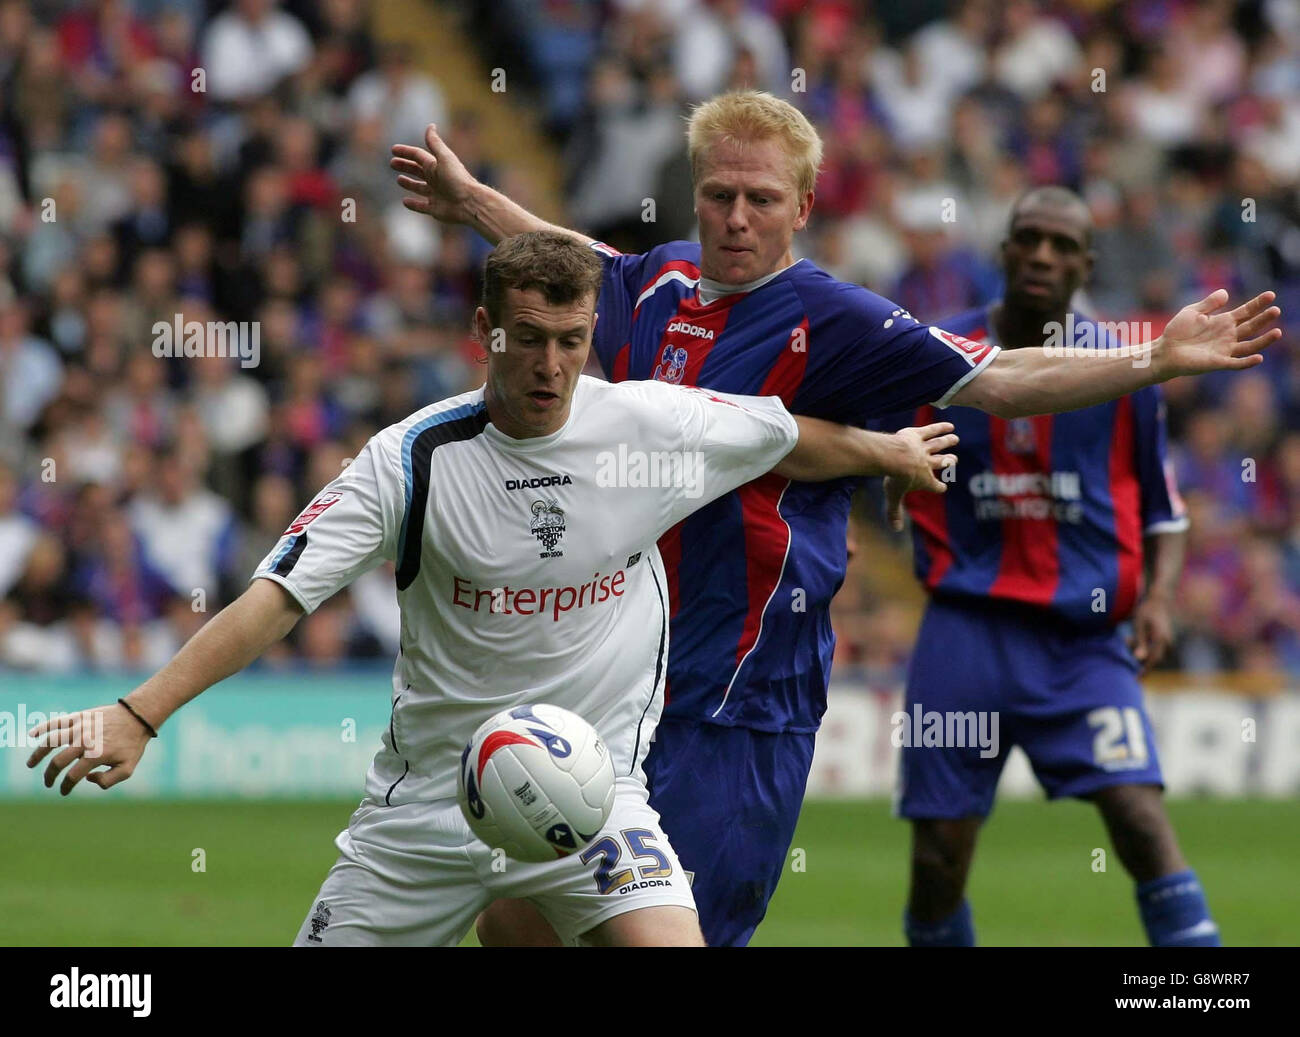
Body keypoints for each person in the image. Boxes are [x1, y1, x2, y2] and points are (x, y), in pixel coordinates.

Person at [391, 89, 1279, 947]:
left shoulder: (837, 318)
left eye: (761, 200)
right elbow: (568, 254)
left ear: (804, 206)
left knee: (671, 933)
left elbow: (1001, 380)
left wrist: (1154, 358)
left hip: (742, 701)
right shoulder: (656, 281)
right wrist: (471, 203)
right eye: (719, 195)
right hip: (617, 682)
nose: (737, 217)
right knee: (515, 921)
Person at [26, 231, 956, 948]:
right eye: (528, 340)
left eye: (572, 341)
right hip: (427, 807)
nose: (551, 367)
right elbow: (278, 594)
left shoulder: (645, 425)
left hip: (596, 797)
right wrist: (140, 715)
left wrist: (893, 450)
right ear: (484, 332)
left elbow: (784, 432)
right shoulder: (409, 459)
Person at [877, 187, 1217, 946]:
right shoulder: (935, 354)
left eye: (1062, 245)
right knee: (937, 861)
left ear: (1085, 264)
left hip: (1082, 637)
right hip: (966, 630)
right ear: (1003, 251)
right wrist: (886, 468)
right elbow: (876, 448)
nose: (1041, 254)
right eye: (1028, 237)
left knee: (1139, 818)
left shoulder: (1129, 370)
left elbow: (1164, 510)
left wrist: (1158, 599)